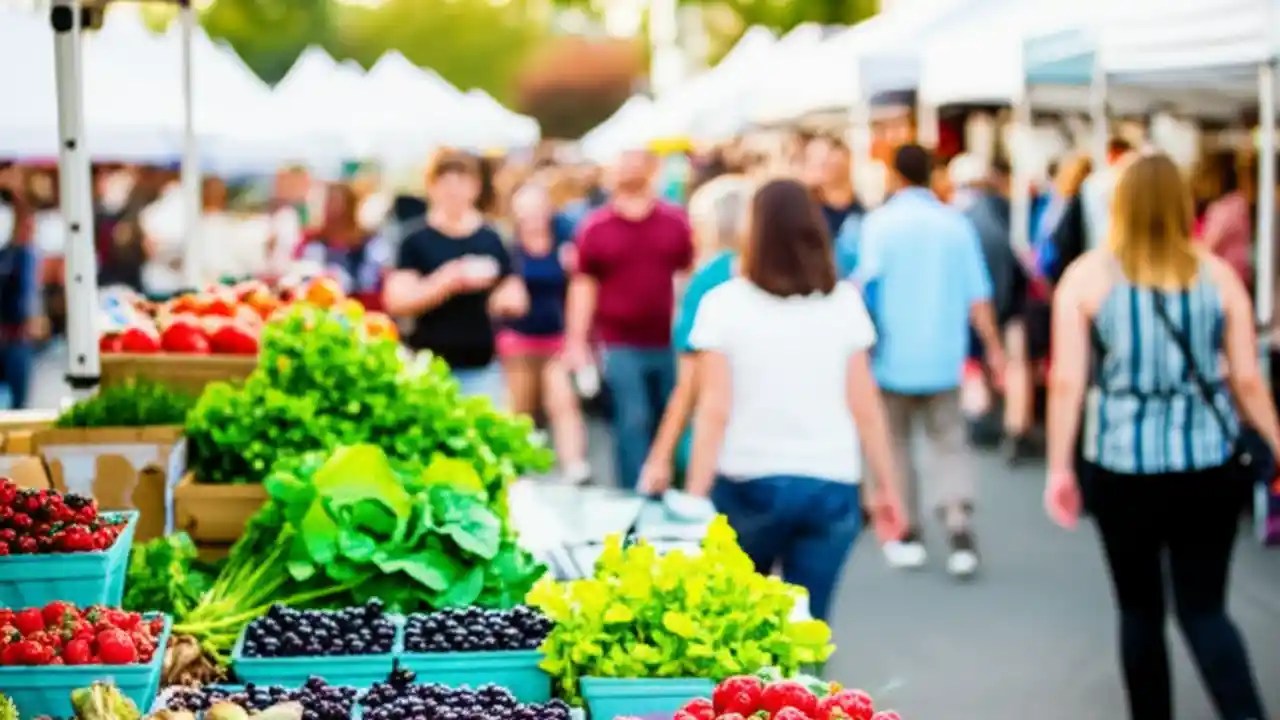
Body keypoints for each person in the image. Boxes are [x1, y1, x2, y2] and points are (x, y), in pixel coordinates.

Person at [1044, 153, 1275, 720]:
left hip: (1122, 462)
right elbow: (1246, 377)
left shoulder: (1086, 278)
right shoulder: (1218, 277)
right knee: (1205, 608)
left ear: (1118, 205)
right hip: (1207, 459)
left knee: (1139, 610)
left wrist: (1059, 468)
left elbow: (1068, 381)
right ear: (1182, 205)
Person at [682, 178, 906, 621]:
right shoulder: (843, 304)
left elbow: (714, 410)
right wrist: (888, 488)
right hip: (830, 479)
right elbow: (866, 407)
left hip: (746, 480)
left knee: (742, 629)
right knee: (809, 625)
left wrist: (693, 495)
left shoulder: (723, 305)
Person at [855, 143, 1005, 579]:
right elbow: (979, 297)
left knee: (895, 444)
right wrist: (993, 348)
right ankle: (958, 524)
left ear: (895, 176)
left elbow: (867, 288)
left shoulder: (878, 225)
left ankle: (908, 528)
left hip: (891, 356)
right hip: (943, 355)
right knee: (949, 441)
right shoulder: (954, 224)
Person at [563, 148, 694, 491]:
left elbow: (686, 277)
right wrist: (577, 341)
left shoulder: (675, 222)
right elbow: (583, 286)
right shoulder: (596, 228)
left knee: (670, 419)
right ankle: (633, 496)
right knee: (631, 422)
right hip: (619, 341)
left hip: (667, 340)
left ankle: (672, 491)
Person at [384, 150, 528, 404]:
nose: (454, 192)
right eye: (446, 184)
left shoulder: (491, 237)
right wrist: (447, 280)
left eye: (462, 183)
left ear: (475, 187)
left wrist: (502, 299)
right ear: (432, 187)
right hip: (428, 364)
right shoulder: (414, 239)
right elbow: (397, 300)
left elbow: (515, 294)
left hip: (481, 367)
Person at [638, 174, 753, 494]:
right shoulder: (767, 275)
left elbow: (690, 383)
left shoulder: (708, 281)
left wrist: (661, 454)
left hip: (714, 442)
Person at [497, 181, 591, 484]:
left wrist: (578, 338)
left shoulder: (564, 242)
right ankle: (515, 470)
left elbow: (579, 287)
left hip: (554, 336)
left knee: (563, 401)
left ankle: (574, 465)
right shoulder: (508, 247)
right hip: (517, 338)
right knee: (520, 408)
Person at [298, 182, 391, 310]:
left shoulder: (371, 243)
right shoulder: (311, 242)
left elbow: (377, 286)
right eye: (326, 202)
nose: (330, 209)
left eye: (335, 202)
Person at [0, 187, 40, 409]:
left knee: (19, 404)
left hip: (20, 338)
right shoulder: (9, 256)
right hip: (9, 335)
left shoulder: (30, 254)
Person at [1197, 151, 1253, 289]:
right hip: (1240, 276)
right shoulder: (1241, 203)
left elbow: (1207, 245)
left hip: (1227, 281)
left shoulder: (1224, 209)